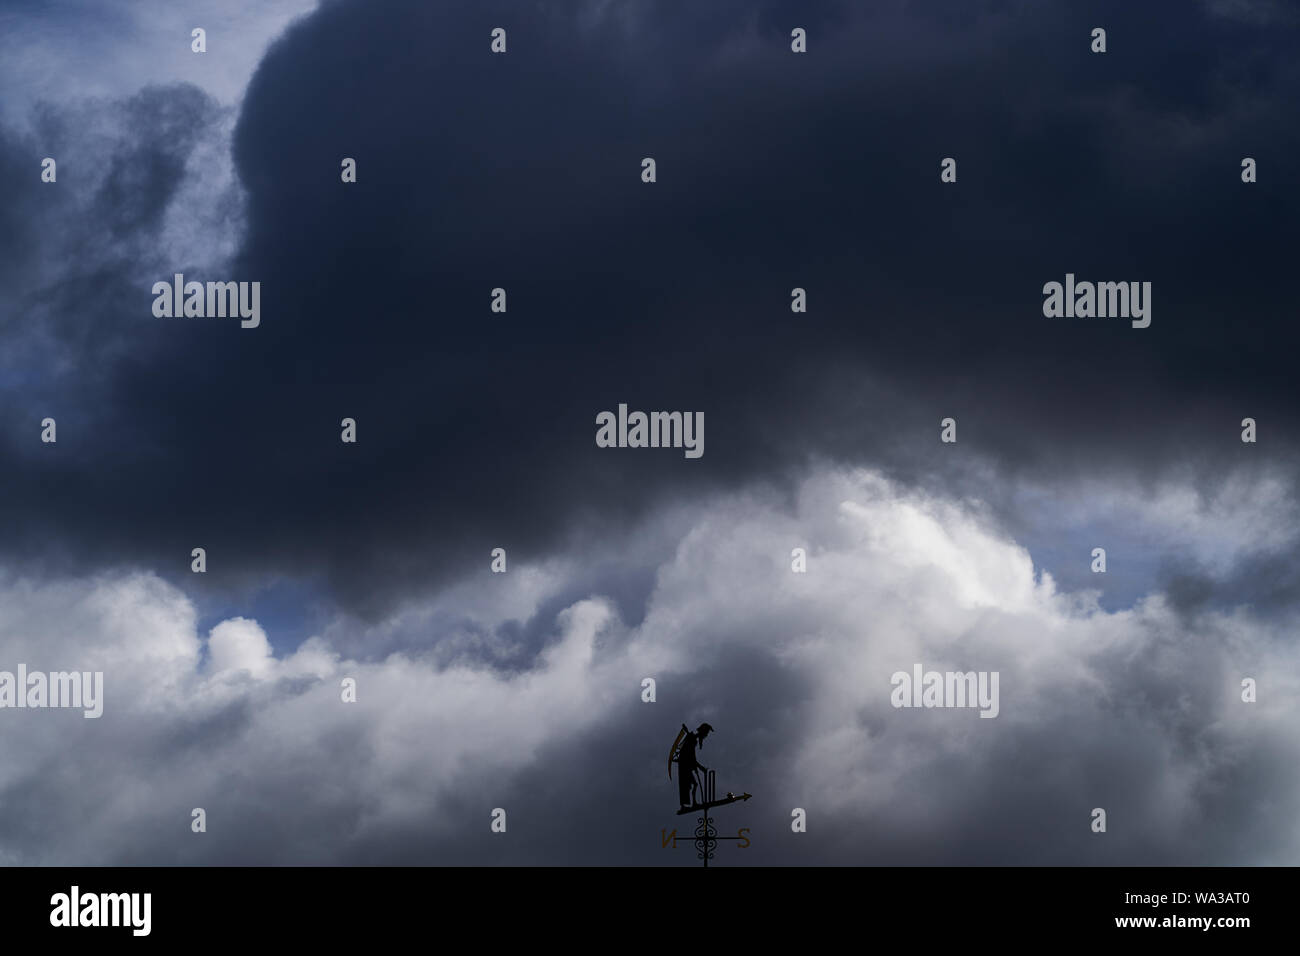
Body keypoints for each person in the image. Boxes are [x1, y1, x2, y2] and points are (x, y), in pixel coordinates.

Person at [673, 722, 713, 809]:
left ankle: (692, 803)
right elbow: (691, 756)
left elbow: (692, 757)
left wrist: (697, 767)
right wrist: (700, 767)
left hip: (687, 766)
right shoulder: (692, 740)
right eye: (706, 733)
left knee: (694, 784)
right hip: (684, 766)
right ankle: (685, 805)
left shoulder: (693, 739)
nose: (706, 736)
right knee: (687, 785)